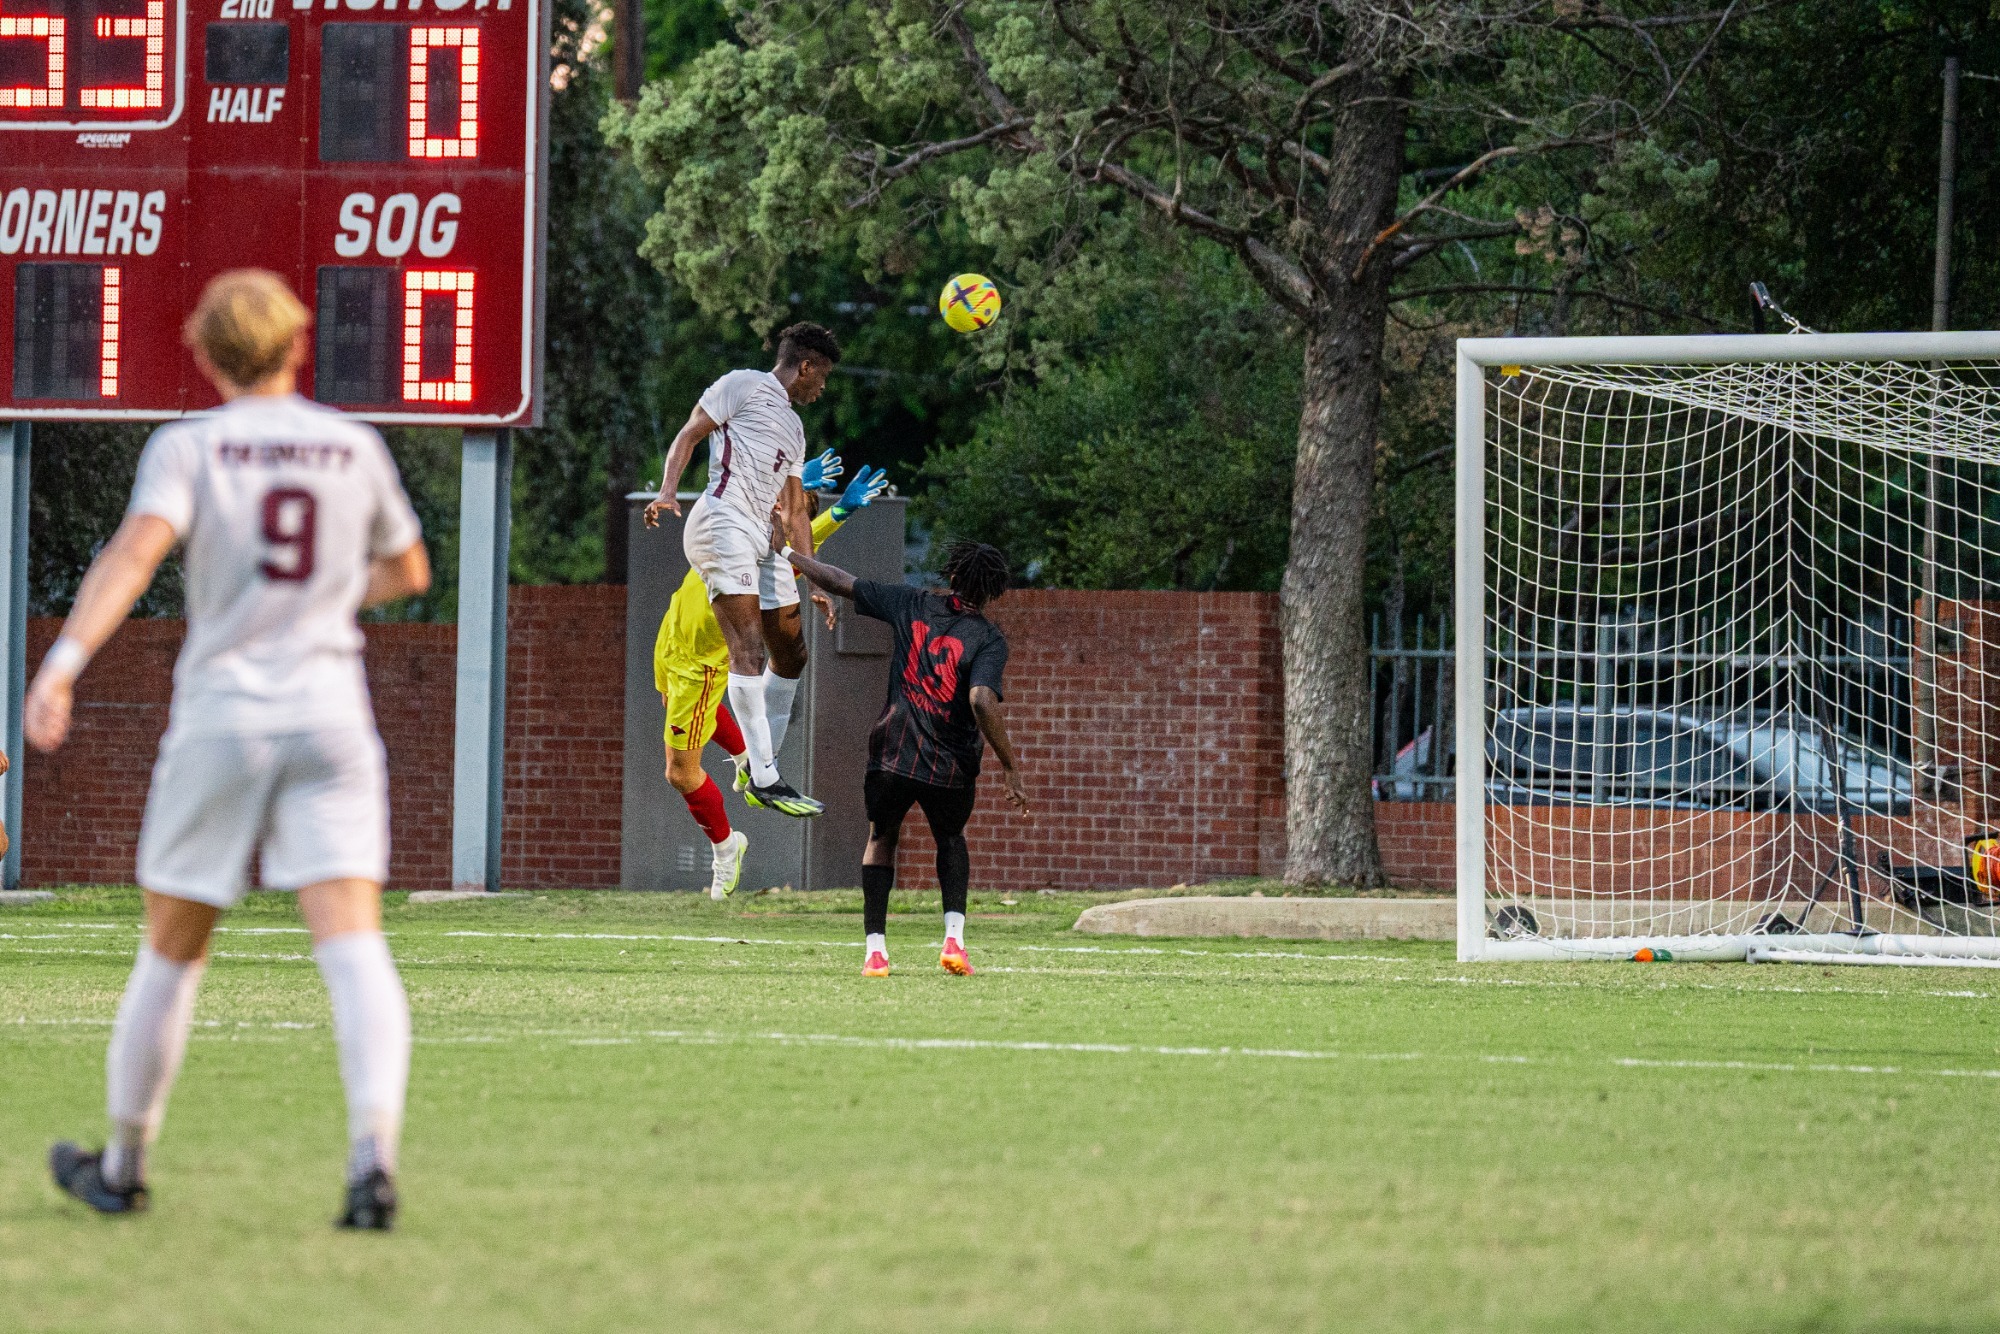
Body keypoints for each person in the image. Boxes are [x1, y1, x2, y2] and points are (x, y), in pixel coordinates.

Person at [31, 270, 431, 1230]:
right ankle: (372, 1161)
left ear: (204, 354)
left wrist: (63, 664)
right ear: (299, 343)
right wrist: (326, 597)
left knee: (171, 950)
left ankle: (124, 1166)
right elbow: (410, 569)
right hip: (332, 713)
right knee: (354, 944)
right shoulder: (353, 444)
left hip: (223, 715)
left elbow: (134, 552)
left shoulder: (188, 446)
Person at [783, 539, 1030, 976]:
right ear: (992, 592)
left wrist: (788, 555)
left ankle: (875, 951)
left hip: (892, 753)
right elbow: (980, 700)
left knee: (881, 837)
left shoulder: (911, 602)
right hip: (950, 764)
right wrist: (1010, 766)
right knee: (950, 839)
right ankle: (953, 942)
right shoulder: (989, 639)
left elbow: (842, 581)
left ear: (952, 576)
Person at [654, 463, 889, 898]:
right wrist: (800, 477)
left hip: (698, 666)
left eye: (782, 506)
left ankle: (727, 849)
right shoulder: (741, 524)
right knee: (681, 720)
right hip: (671, 637)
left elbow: (803, 539)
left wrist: (838, 514)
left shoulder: (774, 562)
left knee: (680, 773)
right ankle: (746, 758)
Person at [644, 323, 844, 820]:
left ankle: (761, 766)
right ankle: (765, 776)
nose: (823, 390)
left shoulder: (795, 429)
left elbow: (795, 511)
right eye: (823, 379)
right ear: (806, 367)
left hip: (761, 534)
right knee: (748, 649)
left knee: (792, 650)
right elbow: (690, 433)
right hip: (722, 521)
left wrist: (812, 576)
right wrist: (669, 491)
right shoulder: (743, 384)